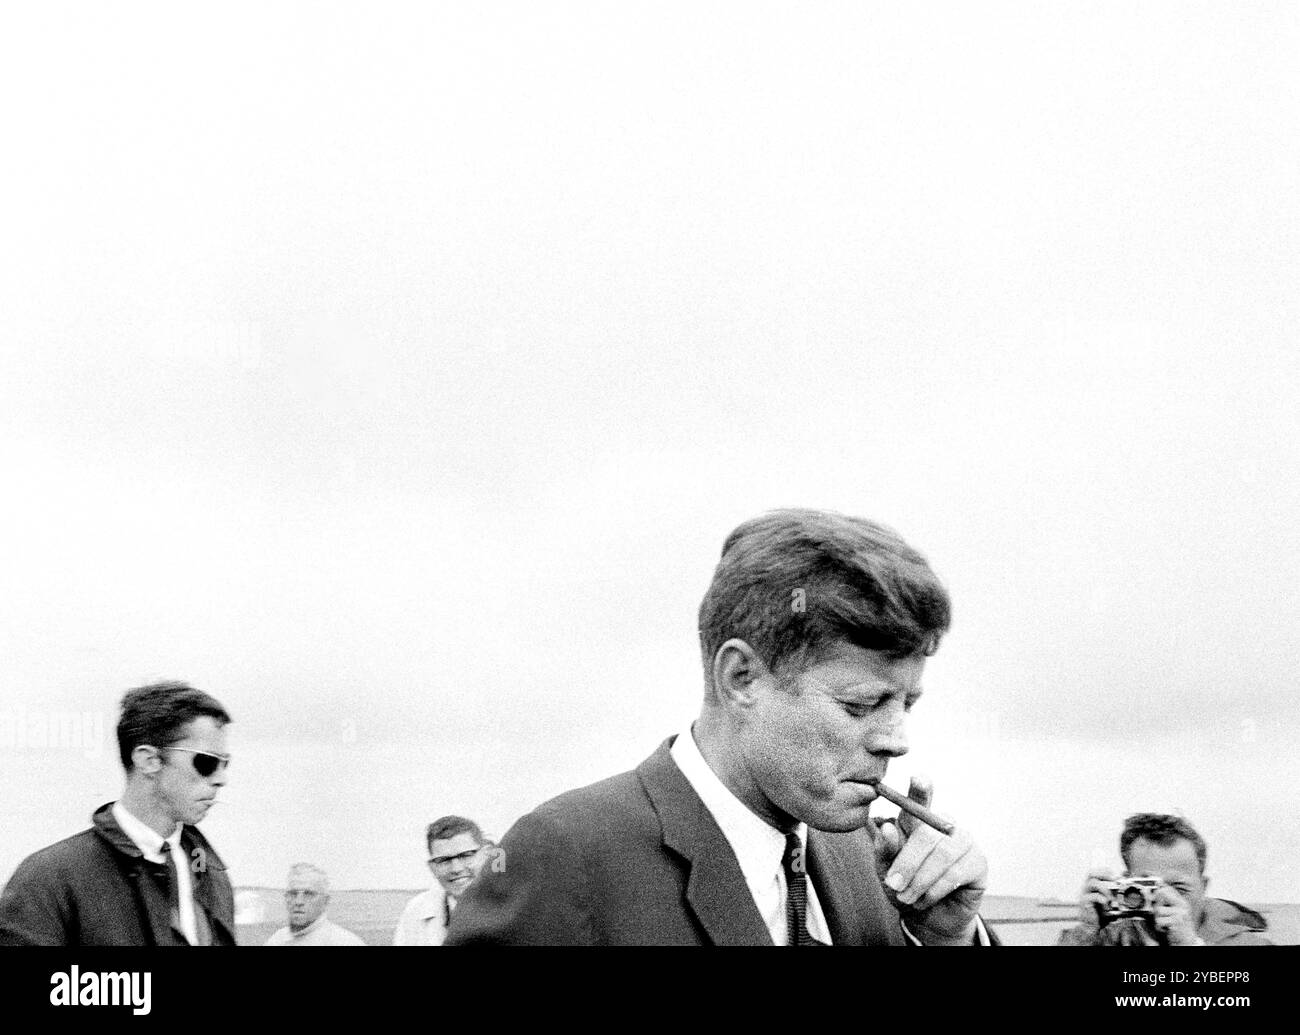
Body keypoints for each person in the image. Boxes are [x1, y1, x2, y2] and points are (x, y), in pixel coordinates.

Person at [446, 508, 994, 945]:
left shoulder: (872, 859)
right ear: (742, 677)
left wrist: (948, 938)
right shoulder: (564, 859)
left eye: (907, 703)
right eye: (861, 704)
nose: (896, 740)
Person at [0, 681, 237, 945]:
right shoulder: (48, 879)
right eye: (207, 762)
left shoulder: (211, 875)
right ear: (149, 760)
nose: (221, 778)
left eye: (225, 763)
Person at [1058, 813, 1272, 946]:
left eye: (1179, 888)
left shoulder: (1250, 943)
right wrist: (1084, 934)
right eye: (1146, 887)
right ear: (1123, 885)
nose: (1165, 899)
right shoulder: (1107, 938)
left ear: (1203, 887)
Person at [392, 815, 496, 945]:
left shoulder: (518, 906)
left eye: (465, 855)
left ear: (487, 855)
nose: (456, 869)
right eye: (444, 860)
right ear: (432, 867)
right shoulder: (416, 911)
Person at [264, 863, 365, 946]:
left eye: (309, 894)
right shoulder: (277, 940)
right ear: (285, 898)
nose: (298, 902)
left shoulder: (345, 942)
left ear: (325, 901)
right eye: (293, 894)